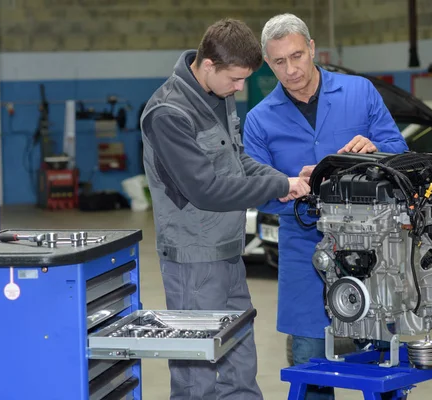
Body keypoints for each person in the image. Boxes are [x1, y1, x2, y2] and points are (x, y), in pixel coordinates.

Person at [139, 18, 310, 400]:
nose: (240, 88)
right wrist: (279, 185)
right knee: (196, 374)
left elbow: (238, 161)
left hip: (228, 252)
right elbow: (207, 190)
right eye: (235, 79)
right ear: (209, 65)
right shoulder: (168, 114)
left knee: (239, 360)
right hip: (193, 262)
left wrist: (287, 180)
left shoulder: (218, 94)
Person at [242, 13, 409, 400]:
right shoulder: (259, 120)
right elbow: (255, 191)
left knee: (386, 355)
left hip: (372, 246)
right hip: (304, 250)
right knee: (310, 358)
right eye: (279, 62)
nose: (291, 69)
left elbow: (400, 153)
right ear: (268, 63)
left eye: (297, 56)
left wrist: (377, 152)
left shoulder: (360, 92)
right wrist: (288, 188)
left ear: (313, 48)